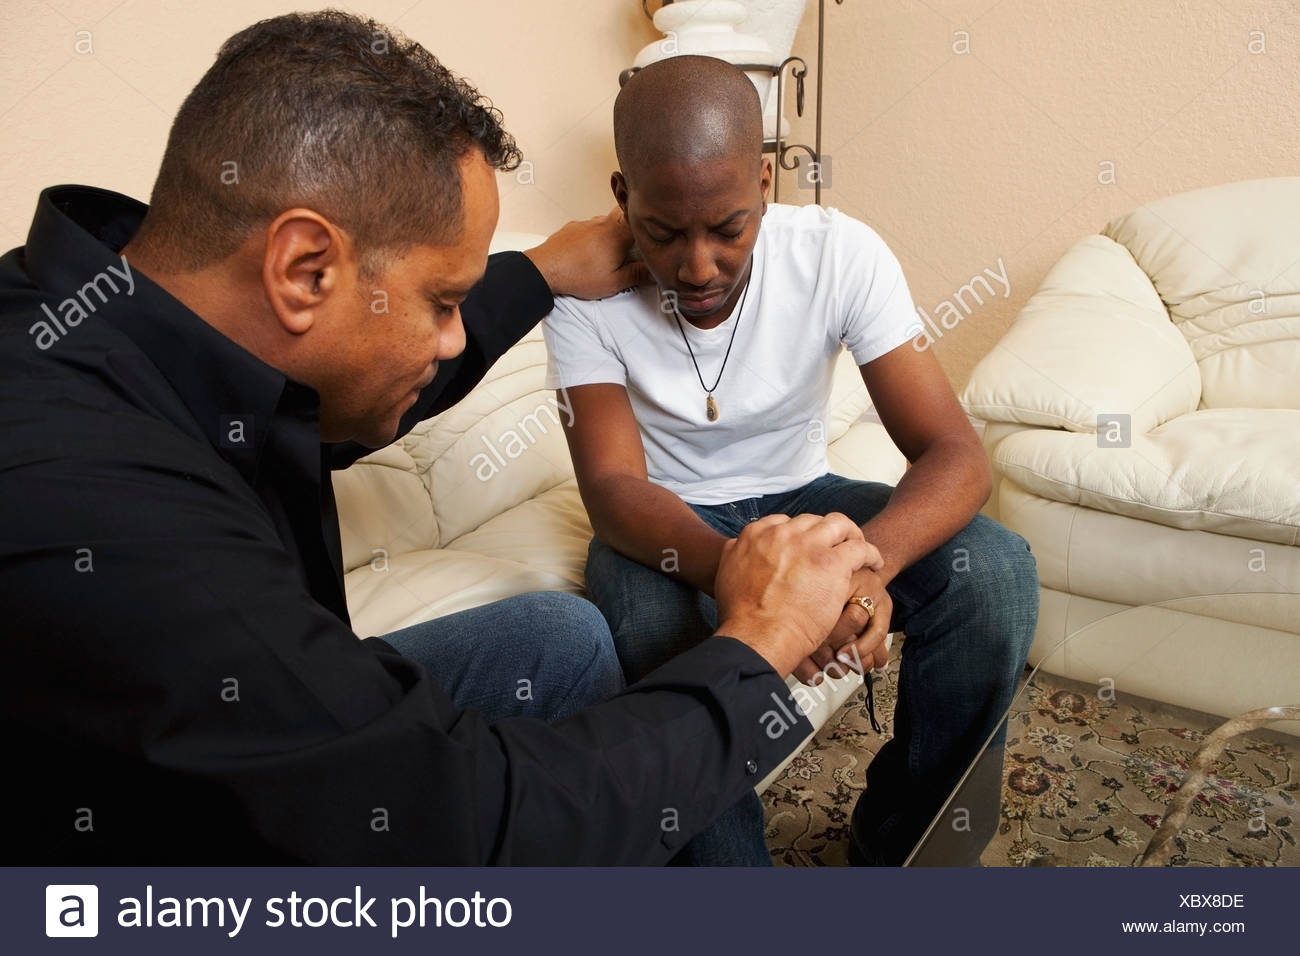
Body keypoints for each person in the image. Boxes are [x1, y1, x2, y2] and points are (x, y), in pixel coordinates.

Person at [0, 12, 880, 864]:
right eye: (443, 303)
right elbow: (480, 828)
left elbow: (326, 408)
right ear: (306, 268)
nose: (456, 339)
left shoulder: (125, 316)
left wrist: (533, 273)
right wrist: (762, 640)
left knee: (557, 643)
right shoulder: (114, 520)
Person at [544, 55, 1040, 866]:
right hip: (666, 520)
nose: (698, 267)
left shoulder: (840, 252)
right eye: (664, 233)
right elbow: (612, 489)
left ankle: (903, 846)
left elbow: (954, 454)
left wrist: (861, 573)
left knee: (995, 572)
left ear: (766, 182)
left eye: (729, 228)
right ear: (622, 198)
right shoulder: (582, 293)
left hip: (804, 493)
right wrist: (747, 577)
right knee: (657, 633)